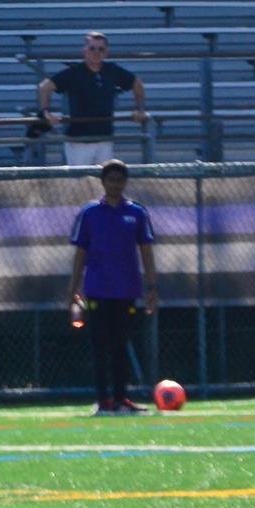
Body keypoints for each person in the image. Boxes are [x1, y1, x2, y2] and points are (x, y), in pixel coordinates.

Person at [68, 159, 158, 416]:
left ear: (125, 182)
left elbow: (147, 251)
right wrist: (73, 288)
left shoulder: (137, 213)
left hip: (127, 289)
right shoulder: (90, 213)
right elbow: (80, 253)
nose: (115, 185)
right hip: (97, 290)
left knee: (121, 345)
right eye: (111, 180)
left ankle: (121, 399)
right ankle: (103, 400)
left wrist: (152, 287)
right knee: (100, 346)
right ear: (103, 182)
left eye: (119, 180)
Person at [37, 31, 148, 166]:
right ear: (85, 51)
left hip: (104, 138)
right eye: (92, 48)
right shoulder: (74, 72)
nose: (96, 52)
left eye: (101, 49)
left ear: (106, 52)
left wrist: (140, 109)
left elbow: (137, 84)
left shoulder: (112, 71)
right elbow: (45, 87)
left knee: (104, 182)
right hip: (79, 141)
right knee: (79, 183)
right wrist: (45, 112)